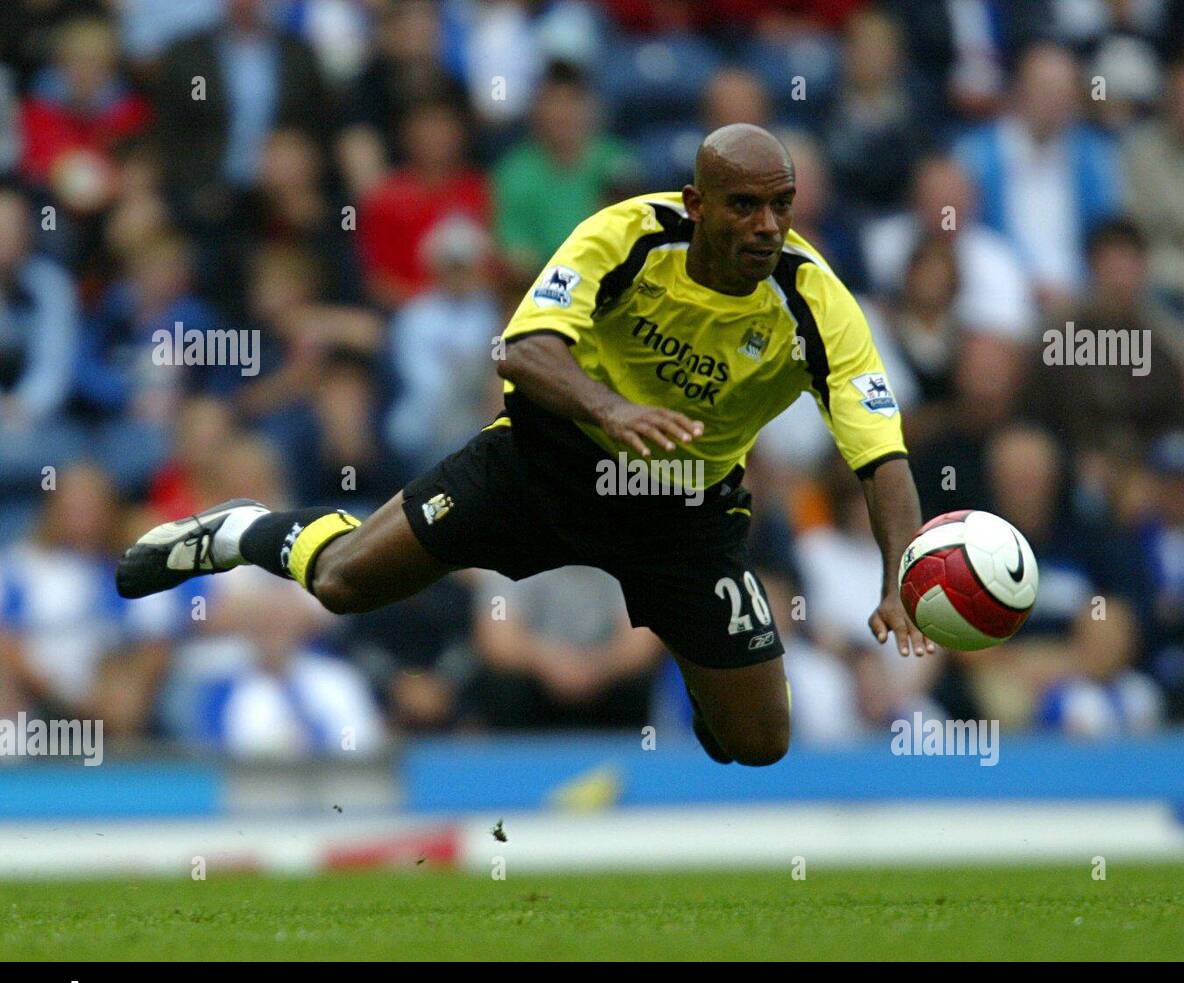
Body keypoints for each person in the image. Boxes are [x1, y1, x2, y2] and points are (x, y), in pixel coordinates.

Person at [114, 124, 933, 767]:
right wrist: (610, 408)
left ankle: (702, 661)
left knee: (760, 743)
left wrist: (900, 574)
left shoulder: (815, 302)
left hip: (684, 509)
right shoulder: (626, 237)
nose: (767, 226)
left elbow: (880, 453)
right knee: (342, 581)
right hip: (544, 466)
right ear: (696, 203)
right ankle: (236, 531)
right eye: (745, 205)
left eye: (781, 205)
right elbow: (521, 348)